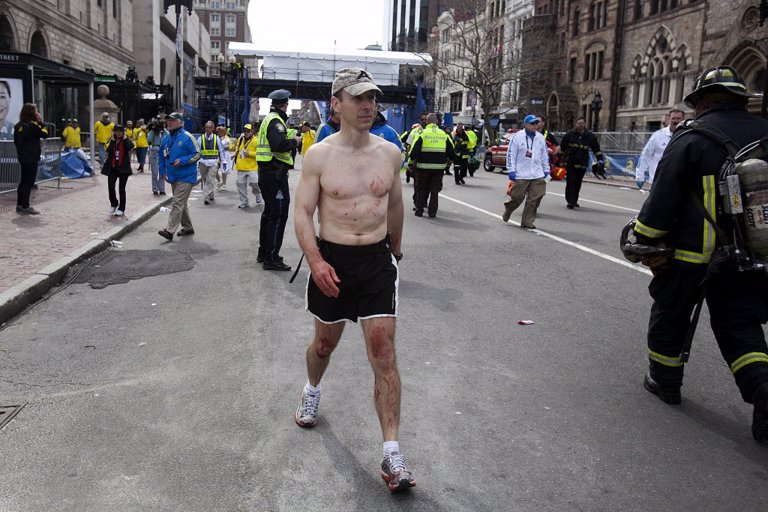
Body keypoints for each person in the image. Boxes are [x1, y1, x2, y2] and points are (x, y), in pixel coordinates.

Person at [632, 65, 768, 443]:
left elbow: (663, 198)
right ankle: (763, 389)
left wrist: (643, 238)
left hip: (692, 256)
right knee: (741, 326)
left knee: (672, 314)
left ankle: (665, 381)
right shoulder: (765, 135)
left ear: (703, 102)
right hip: (751, 256)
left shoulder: (692, 137)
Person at [293, 67, 413, 492]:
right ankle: (312, 387)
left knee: (383, 354)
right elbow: (302, 213)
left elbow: (395, 204)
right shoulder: (320, 156)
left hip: (377, 263)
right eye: (358, 98)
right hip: (333, 260)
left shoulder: (389, 153)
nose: (368, 106)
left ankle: (393, 454)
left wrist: (395, 252)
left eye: (372, 98)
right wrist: (316, 262)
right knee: (324, 344)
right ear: (337, 104)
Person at [255, 89, 301, 270]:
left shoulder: (270, 120)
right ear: (285, 104)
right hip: (275, 175)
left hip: (268, 173)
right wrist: (295, 142)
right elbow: (279, 145)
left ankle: (264, 253)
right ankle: (272, 257)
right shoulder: (275, 121)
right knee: (278, 215)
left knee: (269, 215)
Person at [157, 112, 200, 241]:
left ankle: (169, 230)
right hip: (173, 177)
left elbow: (197, 154)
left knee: (177, 203)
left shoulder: (187, 137)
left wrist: (182, 161)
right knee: (181, 203)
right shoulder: (166, 138)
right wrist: (162, 171)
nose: (169, 122)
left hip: (186, 177)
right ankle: (188, 227)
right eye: (168, 120)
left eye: (173, 120)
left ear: (180, 122)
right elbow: (161, 156)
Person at [501, 114, 550, 229]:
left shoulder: (540, 137)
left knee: (535, 198)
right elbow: (510, 154)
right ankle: (509, 209)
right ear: (526, 124)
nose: (535, 125)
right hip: (521, 173)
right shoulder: (517, 137)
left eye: (536, 123)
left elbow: (544, 156)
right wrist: (511, 170)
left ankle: (527, 221)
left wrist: (546, 171)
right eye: (532, 123)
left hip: (537, 173)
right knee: (517, 197)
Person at [407, 112, 455, 218]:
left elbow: (413, 152)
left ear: (427, 122)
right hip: (438, 169)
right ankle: (432, 212)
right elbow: (452, 152)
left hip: (422, 167)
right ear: (437, 122)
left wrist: (411, 163)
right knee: (434, 191)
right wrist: (449, 161)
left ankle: (419, 210)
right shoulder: (444, 134)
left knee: (421, 189)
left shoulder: (422, 133)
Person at [559, 117, 604, 209]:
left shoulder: (590, 136)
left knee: (578, 183)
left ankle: (575, 200)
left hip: (582, 164)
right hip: (570, 163)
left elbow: (596, 149)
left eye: (582, 123)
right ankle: (570, 201)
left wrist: (600, 160)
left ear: (585, 124)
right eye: (579, 123)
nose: (581, 124)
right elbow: (562, 148)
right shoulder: (569, 135)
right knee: (571, 182)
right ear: (576, 124)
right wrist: (559, 160)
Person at [635, 109, 685, 188]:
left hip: (678, 182)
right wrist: (639, 176)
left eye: (678, 118)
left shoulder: (687, 136)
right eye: (673, 118)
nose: (676, 121)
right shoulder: (658, 135)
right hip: (657, 181)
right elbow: (645, 155)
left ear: (683, 120)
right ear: (669, 119)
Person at [12, 103, 47, 214]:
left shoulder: (18, 126)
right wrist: (40, 121)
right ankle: (26, 206)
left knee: (23, 182)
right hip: (32, 157)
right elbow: (45, 134)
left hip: (22, 156)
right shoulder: (32, 125)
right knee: (28, 182)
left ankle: (19, 205)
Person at [101, 124, 134, 216]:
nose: (118, 133)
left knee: (121, 188)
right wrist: (112, 141)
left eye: (120, 131)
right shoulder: (112, 140)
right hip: (113, 167)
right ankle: (114, 203)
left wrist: (125, 138)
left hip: (123, 168)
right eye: (116, 131)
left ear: (123, 132)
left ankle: (122, 208)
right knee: (111, 186)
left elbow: (129, 147)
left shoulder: (126, 140)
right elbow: (107, 149)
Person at [233, 122, 261, 208]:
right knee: (240, 184)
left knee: (255, 182)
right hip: (241, 166)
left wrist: (249, 154)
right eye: (245, 131)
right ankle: (244, 202)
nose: (246, 132)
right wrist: (235, 154)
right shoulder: (240, 139)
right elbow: (237, 149)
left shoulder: (256, 140)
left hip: (252, 167)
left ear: (252, 132)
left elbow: (260, 153)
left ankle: (257, 194)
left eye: (248, 131)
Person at [197, 121, 220, 205]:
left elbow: (220, 149)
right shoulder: (200, 138)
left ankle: (206, 197)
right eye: (207, 127)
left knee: (210, 179)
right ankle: (211, 193)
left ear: (213, 129)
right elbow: (198, 150)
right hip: (203, 162)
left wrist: (223, 160)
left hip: (213, 162)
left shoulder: (216, 138)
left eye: (210, 127)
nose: (208, 129)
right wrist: (197, 162)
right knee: (205, 179)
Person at [146, 118, 168, 195]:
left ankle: (162, 189)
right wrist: (153, 129)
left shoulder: (164, 132)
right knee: (154, 171)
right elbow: (149, 140)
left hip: (163, 152)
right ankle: (155, 189)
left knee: (162, 170)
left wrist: (164, 128)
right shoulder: (153, 132)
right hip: (154, 150)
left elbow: (169, 136)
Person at [216, 125, 234, 191]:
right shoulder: (217, 138)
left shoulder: (227, 139)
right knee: (215, 169)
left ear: (224, 132)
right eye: (218, 132)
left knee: (224, 171)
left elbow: (225, 146)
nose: (219, 133)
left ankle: (224, 184)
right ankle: (219, 181)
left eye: (220, 131)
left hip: (224, 156)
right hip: (218, 155)